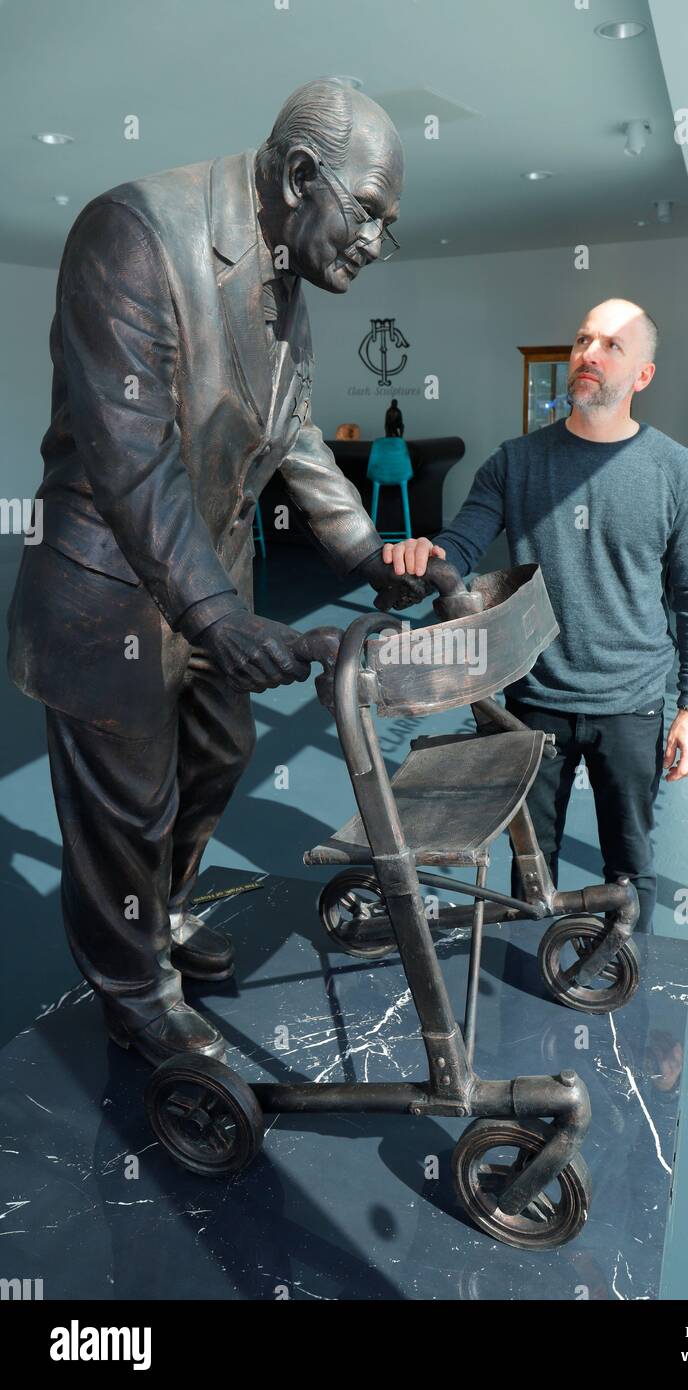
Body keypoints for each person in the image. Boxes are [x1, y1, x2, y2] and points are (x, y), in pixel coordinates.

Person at [6, 79, 427, 1067]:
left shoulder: (286, 283)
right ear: (296, 174)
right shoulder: (134, 233)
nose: (372, 241)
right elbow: (131, 457)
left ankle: (167, 910)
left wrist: (366, 553)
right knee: (128, 808)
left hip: (206, 589)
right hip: (107, 589)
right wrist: (214, 614)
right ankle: (135, 992)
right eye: (367, 212)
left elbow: (291, 434)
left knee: (220, 757)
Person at [378, 299, 688, 933]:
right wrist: (428, 553)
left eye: (612, 345)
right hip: (532, 697)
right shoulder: (515, 463)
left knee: (631, 861)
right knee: (532, 861)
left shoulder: (678, 474)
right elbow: (462, 542)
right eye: (583, 339)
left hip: (631, 702)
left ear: (641, 376)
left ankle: (624, 963)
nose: (590, 353)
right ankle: (533, 969)